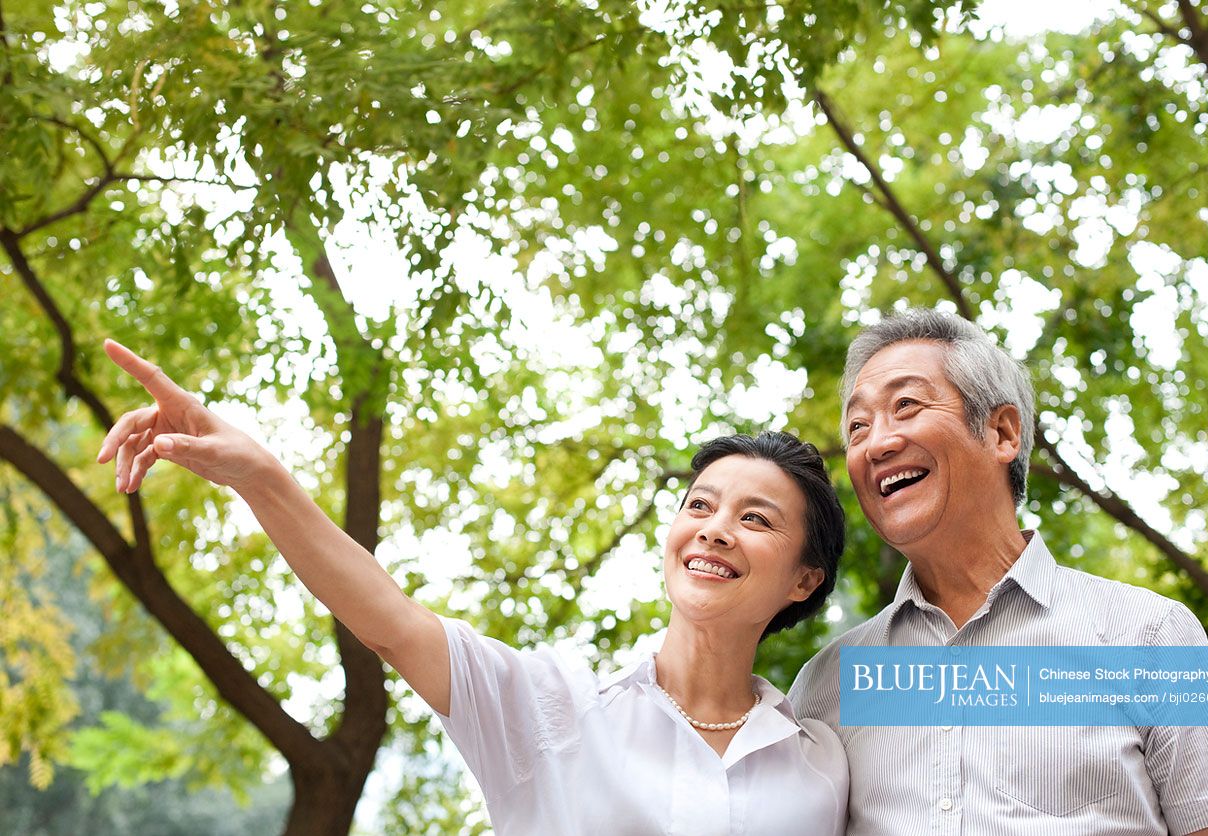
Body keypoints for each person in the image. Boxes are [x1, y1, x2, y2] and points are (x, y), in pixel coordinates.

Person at [96, 339, 849, 836]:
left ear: (804, 579)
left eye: (754, 519)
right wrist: (260, 477)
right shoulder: (555, 705)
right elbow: (389, 621)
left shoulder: (821, 761)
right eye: (699, 505)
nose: (714, 530)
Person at [789, 308, 1208, 835]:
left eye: (907, 405)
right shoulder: (826, 685)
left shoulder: (1151, 636)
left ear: (1003, 432)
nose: (877, 443)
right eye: (857, 426)